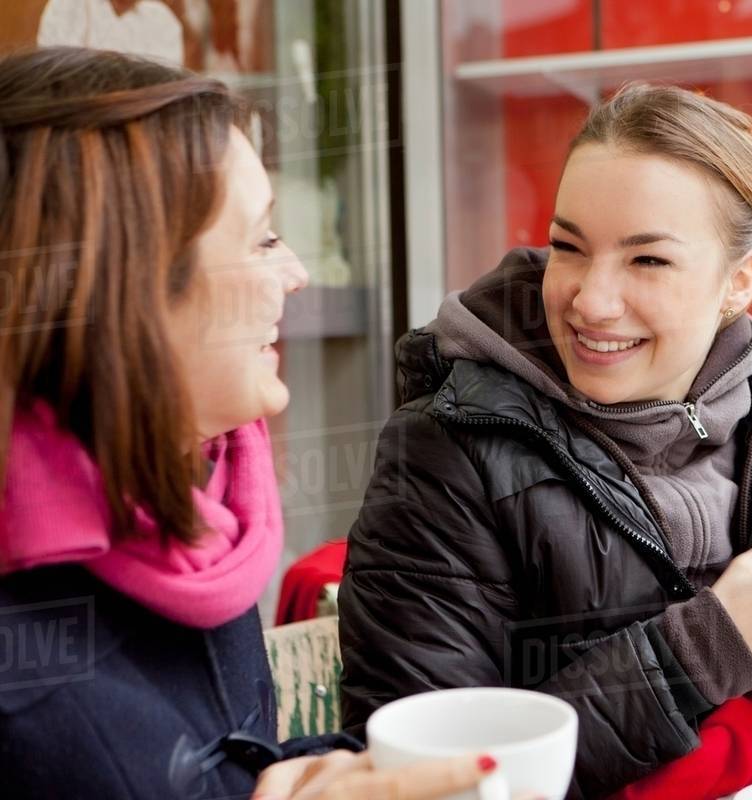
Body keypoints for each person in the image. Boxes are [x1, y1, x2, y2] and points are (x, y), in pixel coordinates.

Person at [338, 82, 752, 798]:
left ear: (738, 282)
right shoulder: (444, 451)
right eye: (569, 247)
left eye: (647, 260)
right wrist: (710, 649)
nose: (591, 300)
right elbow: (425, 782)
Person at [0, 46, 501, 800]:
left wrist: (313, 770)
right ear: (131, 295)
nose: (295, 272)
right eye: (262, 239)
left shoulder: (191, 504)